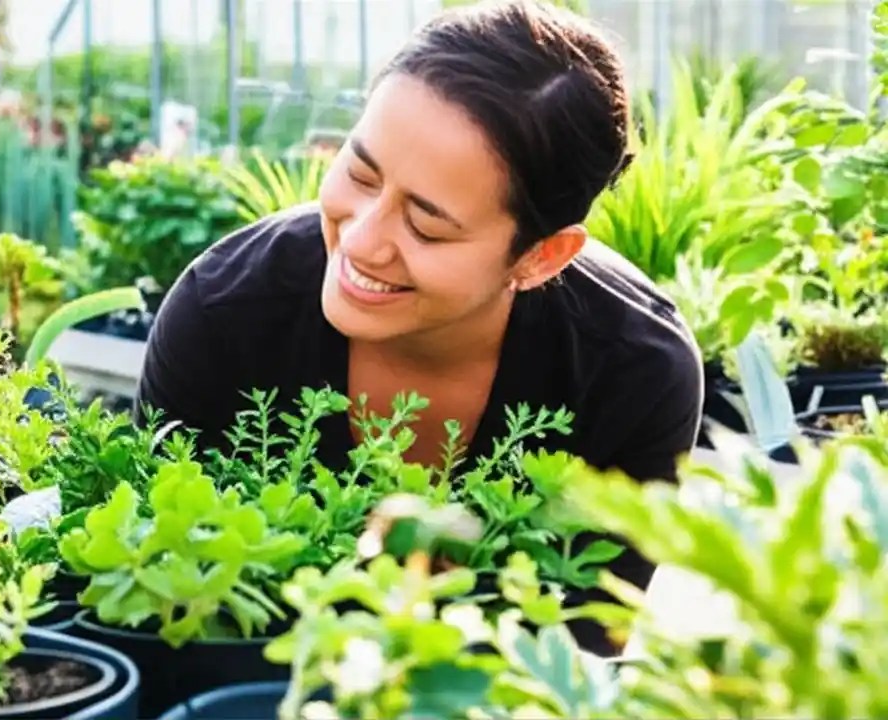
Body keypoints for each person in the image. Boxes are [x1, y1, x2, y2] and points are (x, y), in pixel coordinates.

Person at [134, 0, 704, 653]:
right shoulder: (225, 313)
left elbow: (579, 658)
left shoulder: (635, 371)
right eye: (360, 173)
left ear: (539, 256)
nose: (363, 240)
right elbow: (160, 605)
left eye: (428, 225)